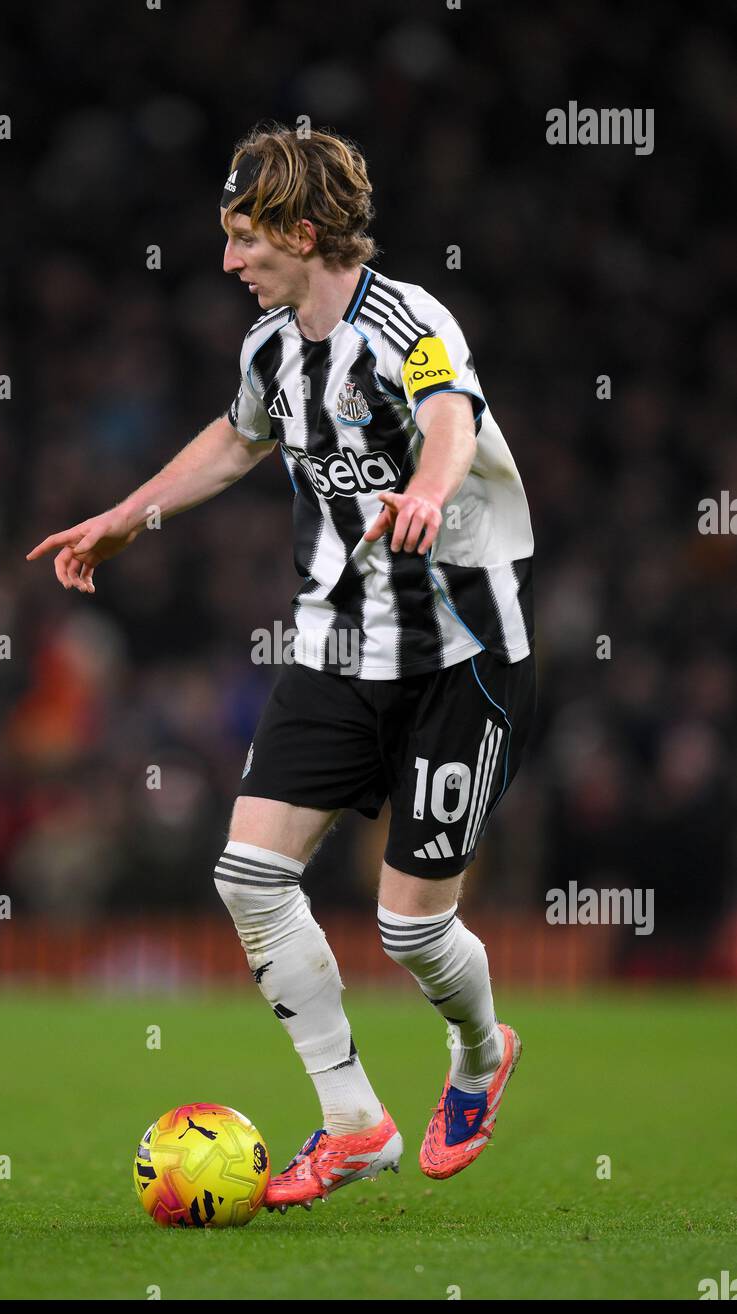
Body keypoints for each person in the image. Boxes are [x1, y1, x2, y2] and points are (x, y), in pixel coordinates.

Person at [27, 123, 536, 1213]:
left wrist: (430, 494)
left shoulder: (410, 321)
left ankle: (482, 1053)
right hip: (337, 646)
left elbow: (449, 417)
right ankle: (355, 1123)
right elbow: (235, 439)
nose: (228, 261)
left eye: (243, 238)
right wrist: (127, 515)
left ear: (303, 234)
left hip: (461, 652)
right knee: (248, 875)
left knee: (411, 929)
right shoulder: (269, 348)